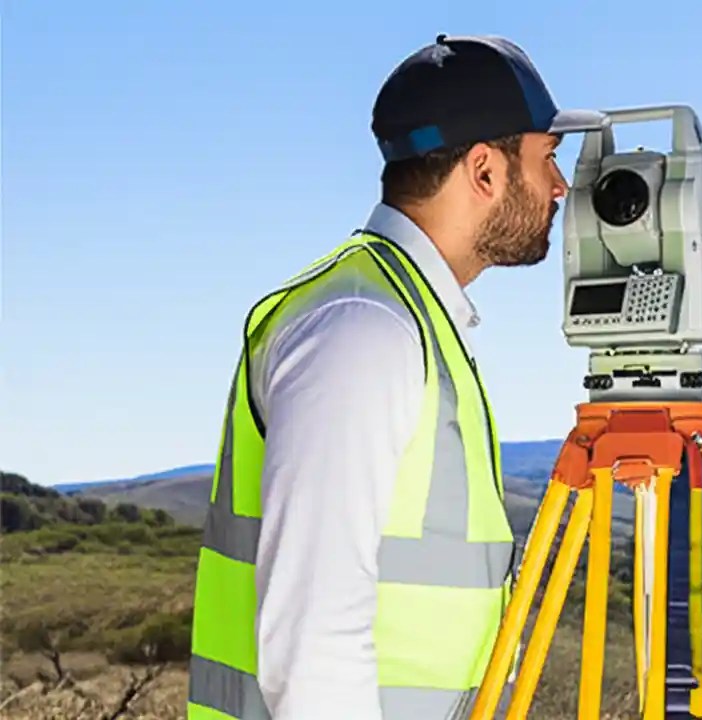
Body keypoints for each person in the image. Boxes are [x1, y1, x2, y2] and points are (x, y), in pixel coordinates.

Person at [185, 34, 606, 720]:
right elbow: (314, 635)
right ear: (483, 171)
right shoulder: (363, 328)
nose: (561, 187)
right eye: (547, 159)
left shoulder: (404, 312)